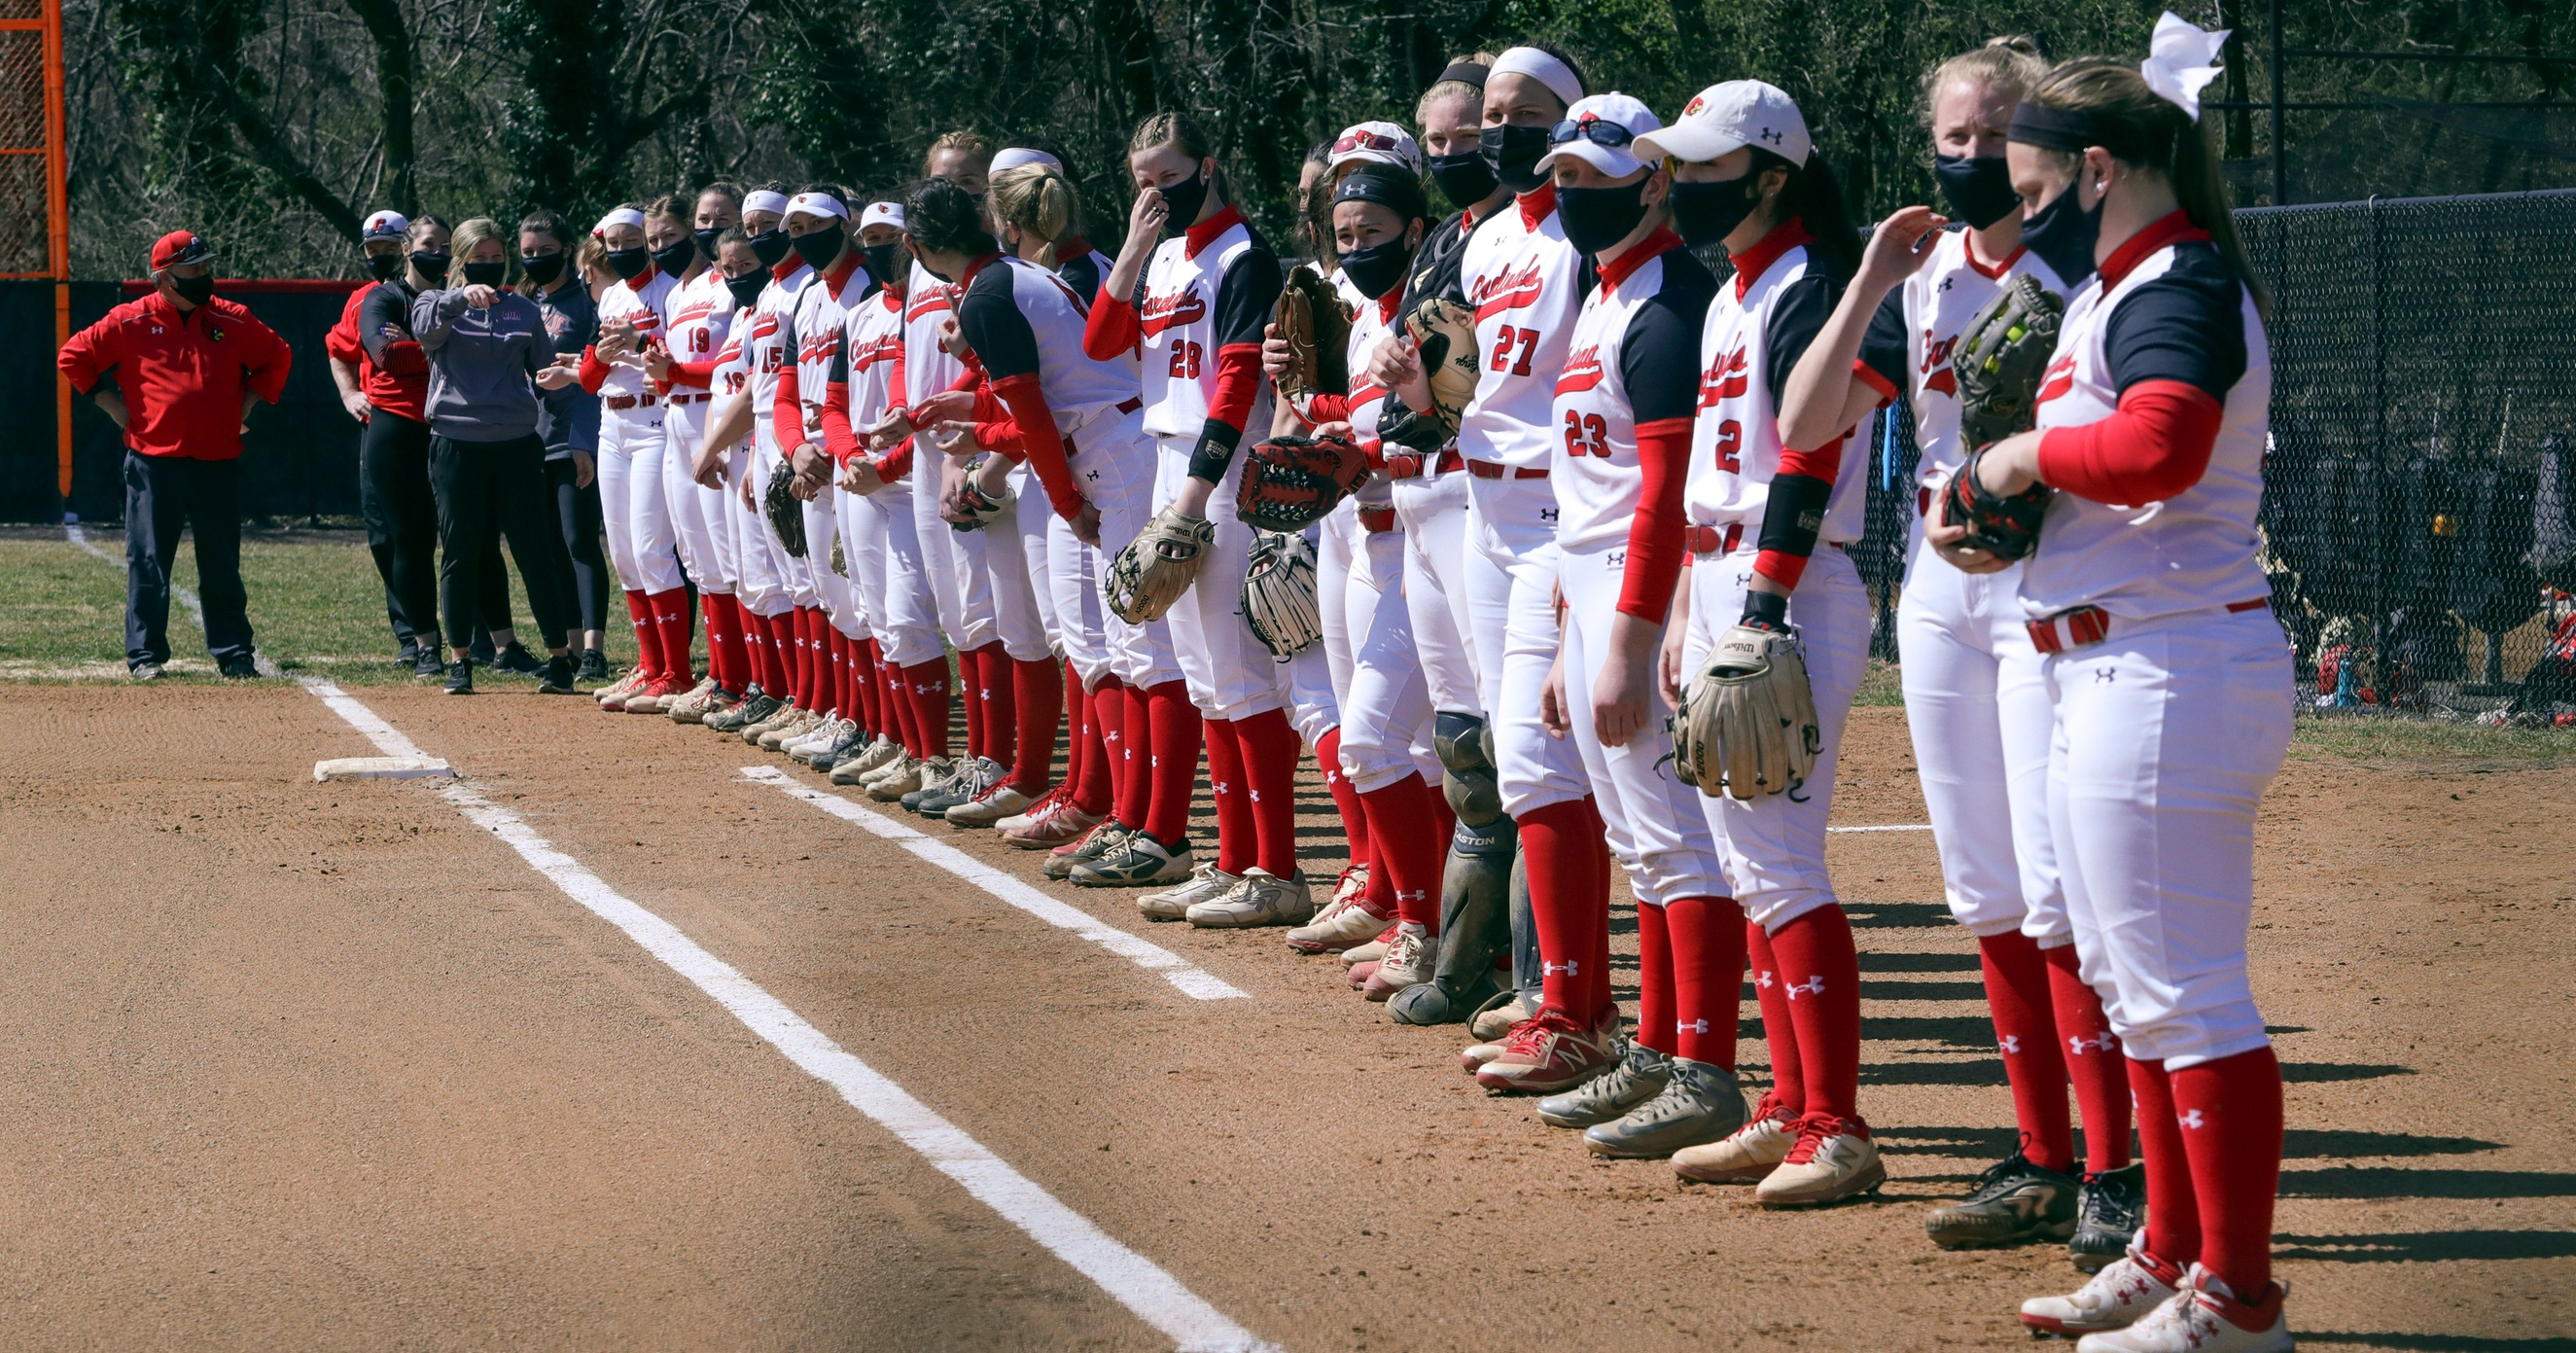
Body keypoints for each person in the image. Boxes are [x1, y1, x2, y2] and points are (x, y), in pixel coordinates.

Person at [1777, 35, 2140, 1260]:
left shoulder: (2079, 268)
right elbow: (1804, 420)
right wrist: (1873, 279)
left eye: (1997, 134)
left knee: (2055, 891)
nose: (1975, 154)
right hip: (1940, 590)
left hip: (2052, 584)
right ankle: (2041, 1152)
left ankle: (2111, 1164)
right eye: (1955, 134)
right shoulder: (1924, 280)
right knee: (1983, 888)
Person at [1965, 22, 2294, 1352]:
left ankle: (2239, 1296)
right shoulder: (2126, 283)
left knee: (2186, 990)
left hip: (2167, 663)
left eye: (2037, 189)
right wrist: (1985, 507)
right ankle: (2171, 1248)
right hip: (2110, 653)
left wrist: (2019, 457)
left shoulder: (2177, 282)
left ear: (2101, 168)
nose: (2021, 215)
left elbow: (2159, 446)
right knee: (2122, 974)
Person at [1631, 81, 1879, 1205]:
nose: (1681, 186)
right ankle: (1786, 1102)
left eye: (1705, 166)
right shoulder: (1737, 288)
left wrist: (1762, 603)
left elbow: (1810, 455)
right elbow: (1711, 477)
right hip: (1727, 570)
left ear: (1771, 175)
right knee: (1746, 866)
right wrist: (1691, 604)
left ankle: (1832, 1120)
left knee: (1780, 864)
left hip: (1793, 576)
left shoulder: (1808, 281)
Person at [1524, 92, 1747, 1160]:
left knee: (1677, 840)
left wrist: (1623, 636)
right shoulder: (1607, 294)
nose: (1575, 193)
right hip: (1594, 582)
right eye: (1564, 175)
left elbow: (1661, 492)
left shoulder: (1666, 304)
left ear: (1656, 180)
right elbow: (1589, 487)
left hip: (1637, 588)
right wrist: (1576, 626)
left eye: (1598, 177)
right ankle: (1657, 1052)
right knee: (1641, 844)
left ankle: (1701, 1065)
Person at [1422, 44, 1606, 1094]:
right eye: (1493, 111)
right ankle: (1553, 993)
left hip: (1556, 505)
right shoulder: (1488, 235)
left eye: (1524, 111)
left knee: (1548, 756)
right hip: (1483, 501)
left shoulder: (1588, 235)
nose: (1501, 129)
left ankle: (1568, 994)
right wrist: (1421, 388)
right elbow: (1466, 385)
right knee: (1516, 750)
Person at [1078, 109, 1296, 918]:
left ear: (1209, 165)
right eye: (1143, 180)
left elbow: (1238, 380)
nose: (1157, 192)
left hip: (1221, 463)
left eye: (1170, 176)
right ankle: (1232, 857)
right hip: (1169, 455)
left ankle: (1274, 869)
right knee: (1204, 681)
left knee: (1238, 675)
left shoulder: (1244, 255)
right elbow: (1102, 343)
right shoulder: (1164, 253)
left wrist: (1198, 493)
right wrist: (1132, 248)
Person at [907, 176, 1162, 856]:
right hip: (1109, 443)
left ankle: (1140, 820)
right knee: (1093, 644)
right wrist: (956, 408)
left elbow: (1036, 419)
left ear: (917, 246)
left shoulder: (989, 293)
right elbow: (1036, 404)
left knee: (1131, 651)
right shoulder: (1008, 275)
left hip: (1110, 453)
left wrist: (1066, 502)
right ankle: (1115, 809)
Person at [1265, 162, 1452, 1001]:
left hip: (1425, 545)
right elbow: (1351, 419)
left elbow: (1439, 432)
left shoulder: (1435, 308)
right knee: (1383, 740)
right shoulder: (1360, 309)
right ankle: (1430, 918)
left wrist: (1355, 445)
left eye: (1371, 232)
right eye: (1344, 235)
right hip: (1365, 540)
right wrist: (1299, 401)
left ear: (1414, 229)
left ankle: (1427, 923)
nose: (1354, 248)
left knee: (1380, 739)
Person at [58, 229, 291, 680]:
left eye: (207, 266)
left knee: (221, 560)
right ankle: (145, 655)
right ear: (165, 277)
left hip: (217, 460)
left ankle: (234, 652)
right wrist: (114, 407)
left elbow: (277, 356)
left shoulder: (233, 319)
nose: (205, 275)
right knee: (148, 558)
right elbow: (74, 356)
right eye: (194, 269)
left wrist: (246, 404)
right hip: (152, 462)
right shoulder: (130, 320)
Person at [407, 217, 581, 695]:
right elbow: (424, 330)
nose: (488, 267)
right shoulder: (433, 303)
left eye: (495, 257)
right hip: (455, 445)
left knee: (535, 552)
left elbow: (549, 380)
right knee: (460, 554)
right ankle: (460, 660)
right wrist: (459, 298)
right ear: (458, 263)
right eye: (476, 259)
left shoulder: (523, 311)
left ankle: (560, 660)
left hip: (516, 448)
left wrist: (578, 439)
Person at [571, 202, 689, 714]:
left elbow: (675, 356)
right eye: (612, 243)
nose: (621, 250)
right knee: (622, 551)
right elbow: (593, 378)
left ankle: (677, 674)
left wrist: (646, 347)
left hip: (655, 421)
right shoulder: (612, 295)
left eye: (631, 239)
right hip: (612, 422)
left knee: (650, 548)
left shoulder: (671, 289)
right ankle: (648, 664)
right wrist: (595, 357)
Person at [327, 207, 432, 667]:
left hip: (444, 425)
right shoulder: (365, 300)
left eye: (390, 248)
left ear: (406, 246)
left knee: (459, 534)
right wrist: (350, 392)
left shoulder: (439, 291)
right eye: (374, 250)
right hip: (386, 426)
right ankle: (413, 637)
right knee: (388, 536)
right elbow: (339, 350)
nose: (382, 256)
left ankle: (483, 641)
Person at [518, 208, 613, 681]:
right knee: (551, 546)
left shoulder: (587, 301)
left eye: (546, 251)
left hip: (576, 438)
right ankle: (571, 648)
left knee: (579, 541)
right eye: (528, 252)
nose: (536, 260)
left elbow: (595, 376)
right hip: (533, 439)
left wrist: (582, 441)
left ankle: (594, 650)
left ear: (568, 250)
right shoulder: (526, 301)